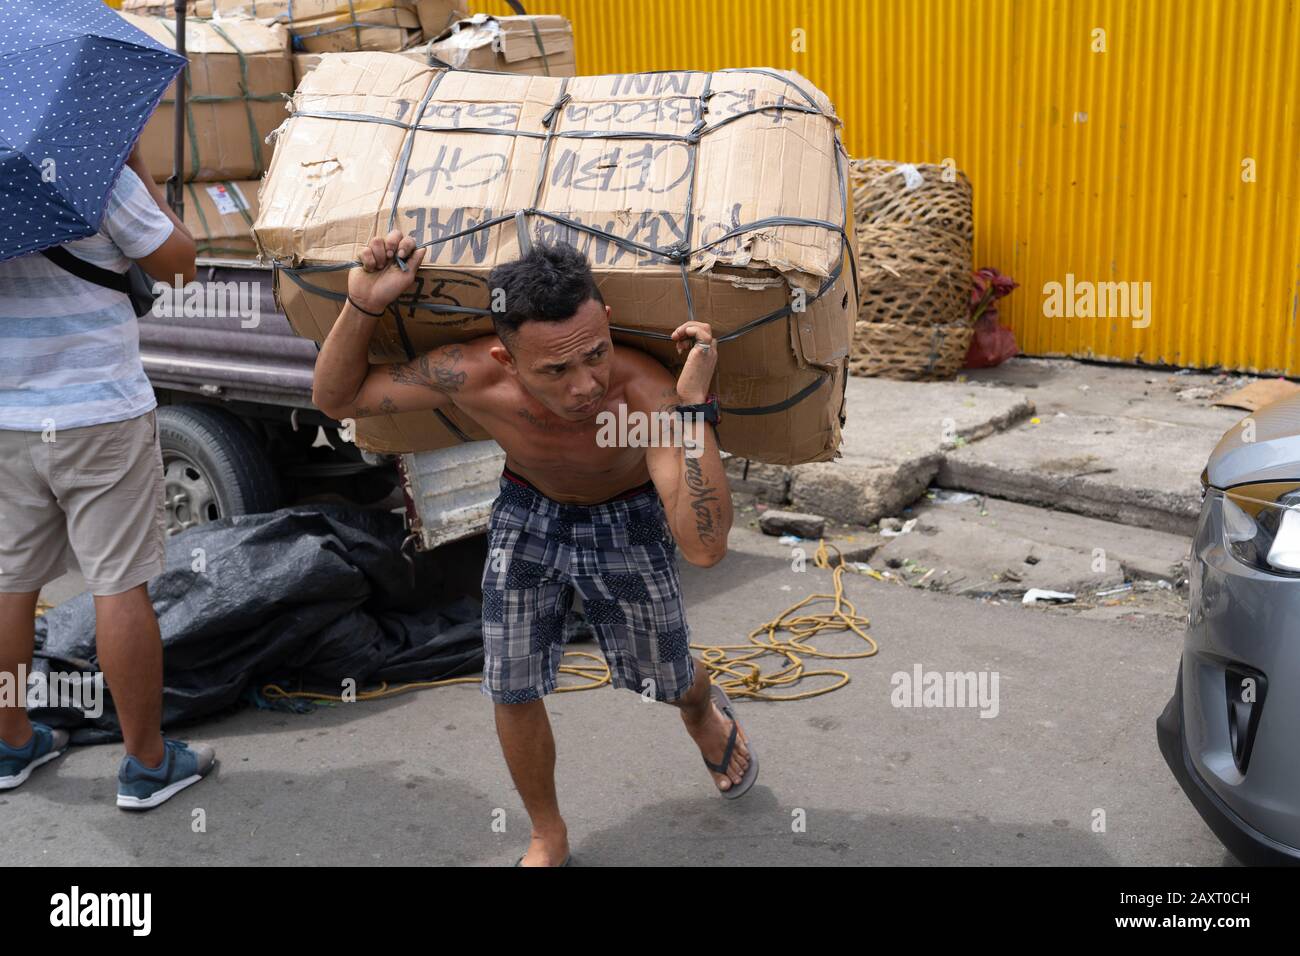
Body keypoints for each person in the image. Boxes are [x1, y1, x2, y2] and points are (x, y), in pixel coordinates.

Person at [313, 230, 756, 866]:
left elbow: (706, 547)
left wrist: (689, 410)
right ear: (507, 360)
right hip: (528, 513)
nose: (585, 385)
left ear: (605, 322)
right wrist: (363, 303)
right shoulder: (472, 375)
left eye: (595, 354)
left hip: (624, 520)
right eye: (555, 369)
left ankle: (699, 712)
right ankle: (548, 832)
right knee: (511, 682)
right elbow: (335, 399)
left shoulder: (644, 396)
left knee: (667, 674)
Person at [0, 144, 216, 807]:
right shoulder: (95, 173)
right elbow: (179, 268)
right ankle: (147, 763)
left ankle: (10, 744)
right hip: (99, 413)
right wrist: (140, 171)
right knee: (119, 584)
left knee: (9, 581)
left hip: (8, 414)